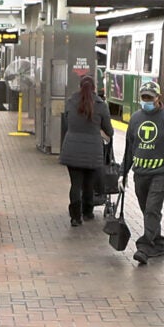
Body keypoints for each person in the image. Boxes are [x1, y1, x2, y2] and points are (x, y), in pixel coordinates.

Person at [121, 79, 164, 263]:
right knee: (147, 211)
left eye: (150, 97)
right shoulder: (135, 119)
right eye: (143, 97)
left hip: (161, 174)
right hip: (140, 174)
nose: (146, 100)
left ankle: (144, 247)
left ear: (158, 98)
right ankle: (158, 244)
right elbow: (129, 149)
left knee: (151, 210)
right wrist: (122, 173)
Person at [59, 73, 113, 227]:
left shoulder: (71, 102)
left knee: (75, 184)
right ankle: (87, 212)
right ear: (94, 88)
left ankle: (75, 217)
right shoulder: (101, 105)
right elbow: (109, 130)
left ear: (79, 87)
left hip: (72, 149)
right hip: (92, 151)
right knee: (89, 183)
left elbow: (67, 123)